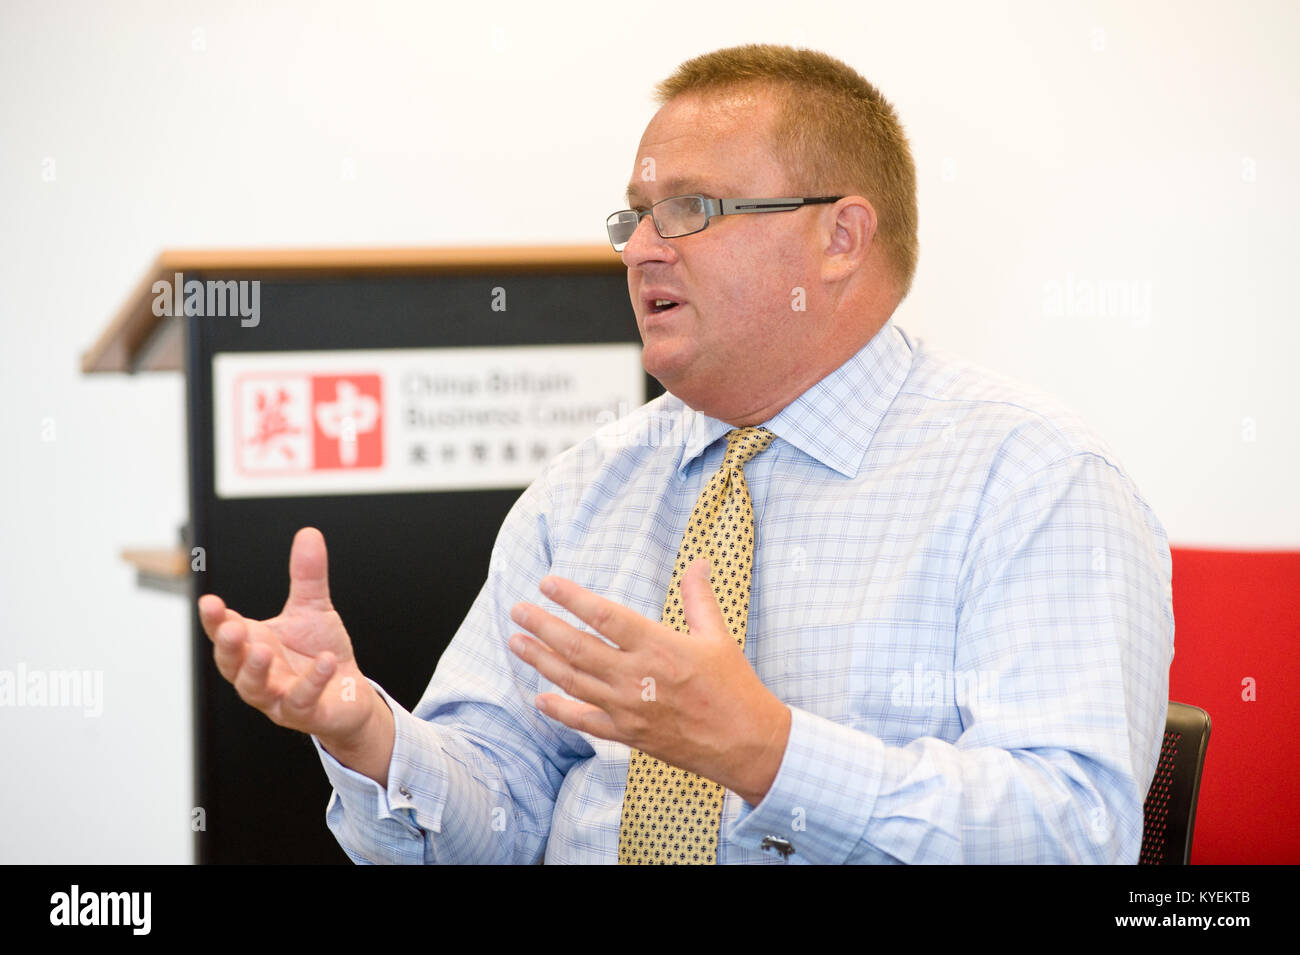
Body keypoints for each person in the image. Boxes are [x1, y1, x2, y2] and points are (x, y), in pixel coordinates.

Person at [198, 43, 1173, 864]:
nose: (640, 251)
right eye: (635, 216)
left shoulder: (1033, 478)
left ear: (841, 236)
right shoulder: (582, 490)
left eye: (692, 211)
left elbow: (1074, 834)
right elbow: (500, 812)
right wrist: (367, 733)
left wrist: (768, 752)